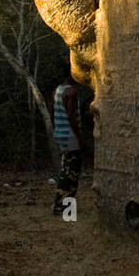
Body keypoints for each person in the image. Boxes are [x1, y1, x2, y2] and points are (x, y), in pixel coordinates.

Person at [52, 66, 85, 217]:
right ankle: (65, 209)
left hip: (61, 134)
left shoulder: (58, 90)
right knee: (72, 173)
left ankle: (61, 206)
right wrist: (80, 138)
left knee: (66, 170)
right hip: (71, 136)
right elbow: (71, 116)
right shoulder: (72, 92)